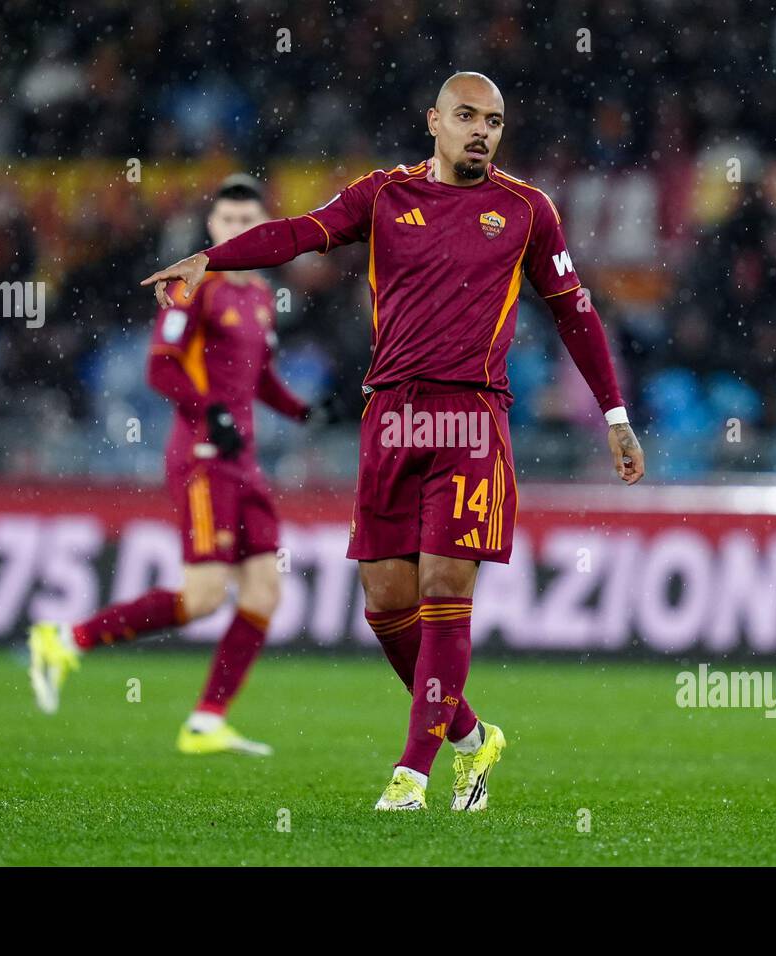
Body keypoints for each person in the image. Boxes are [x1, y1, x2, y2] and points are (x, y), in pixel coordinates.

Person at [140, 73, 646, 809]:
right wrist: (211, 261)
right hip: (392, 420)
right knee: (385, 604)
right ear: (434, 120)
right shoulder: (383, 197)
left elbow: (576, 314)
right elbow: (297, 233)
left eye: (495, 120)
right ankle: (473, 738)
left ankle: (412, 773)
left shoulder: (527, 211)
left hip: (472, 421)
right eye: (467, 116)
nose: (481, 130)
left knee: (445, 586)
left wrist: (614, 415)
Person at [28, 175, 334, 756]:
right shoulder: (195, 288)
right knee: (203, 597)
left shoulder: (262, 297)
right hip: (200, 458)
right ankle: (66, 638)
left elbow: (260, 377)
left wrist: (304, 411)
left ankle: (206, 720)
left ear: (264, 230)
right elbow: (160, 369)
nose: (238, 230)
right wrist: (210, 412)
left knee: (265, 591)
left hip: (243, 460)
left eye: (250, 222)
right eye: (227, 222)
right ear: (212, 229)